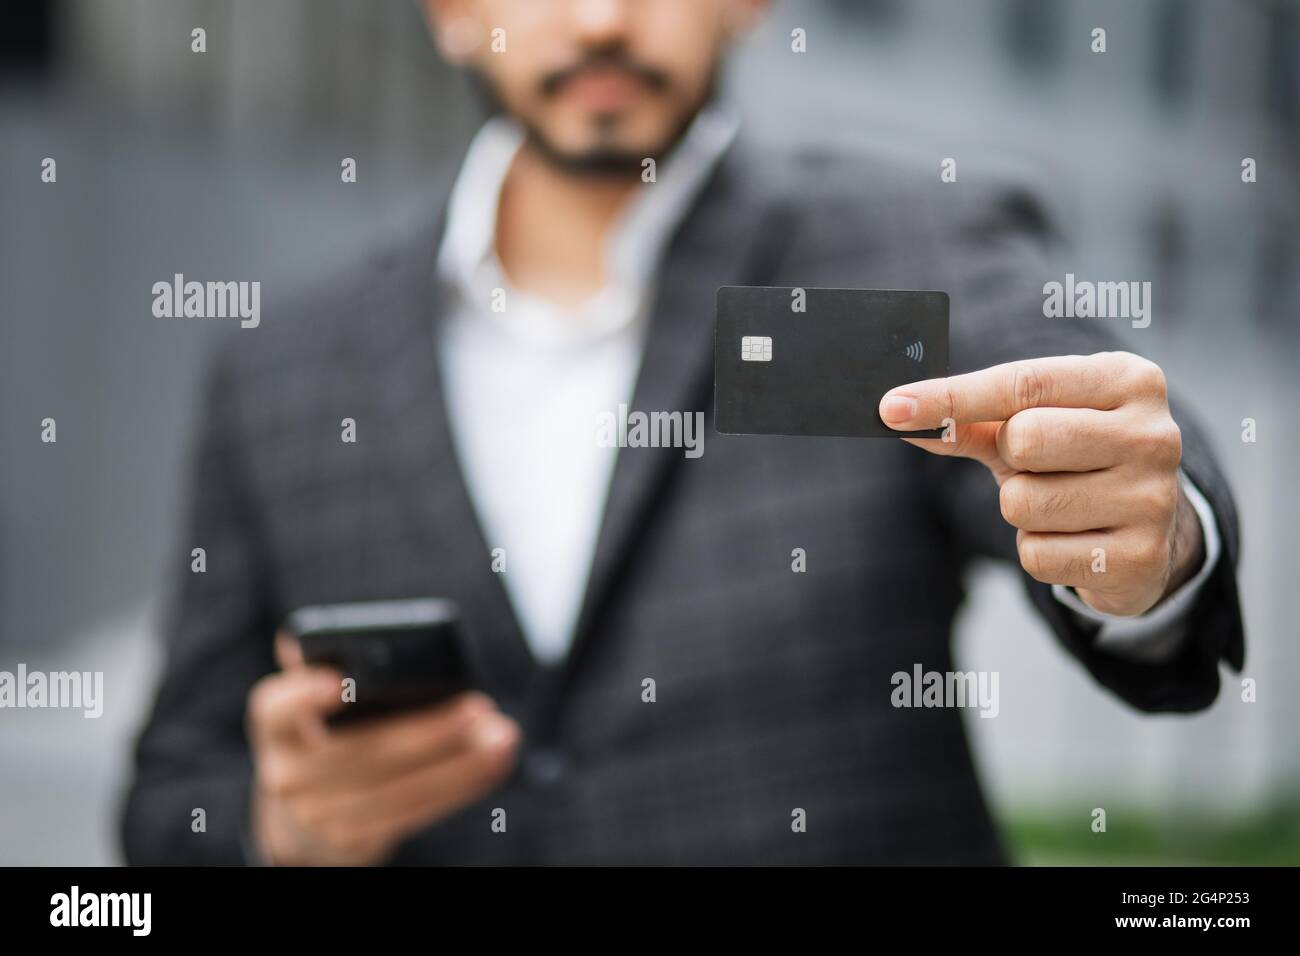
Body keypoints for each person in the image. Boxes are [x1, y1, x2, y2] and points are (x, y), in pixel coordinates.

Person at [122, 0, 1244, 865]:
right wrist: (277, 824)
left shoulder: (900, 256)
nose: (603, 19)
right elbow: (168, 797)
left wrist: (1152, 537)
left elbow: (1111, 435)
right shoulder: (282, 366)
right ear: (450, 9)